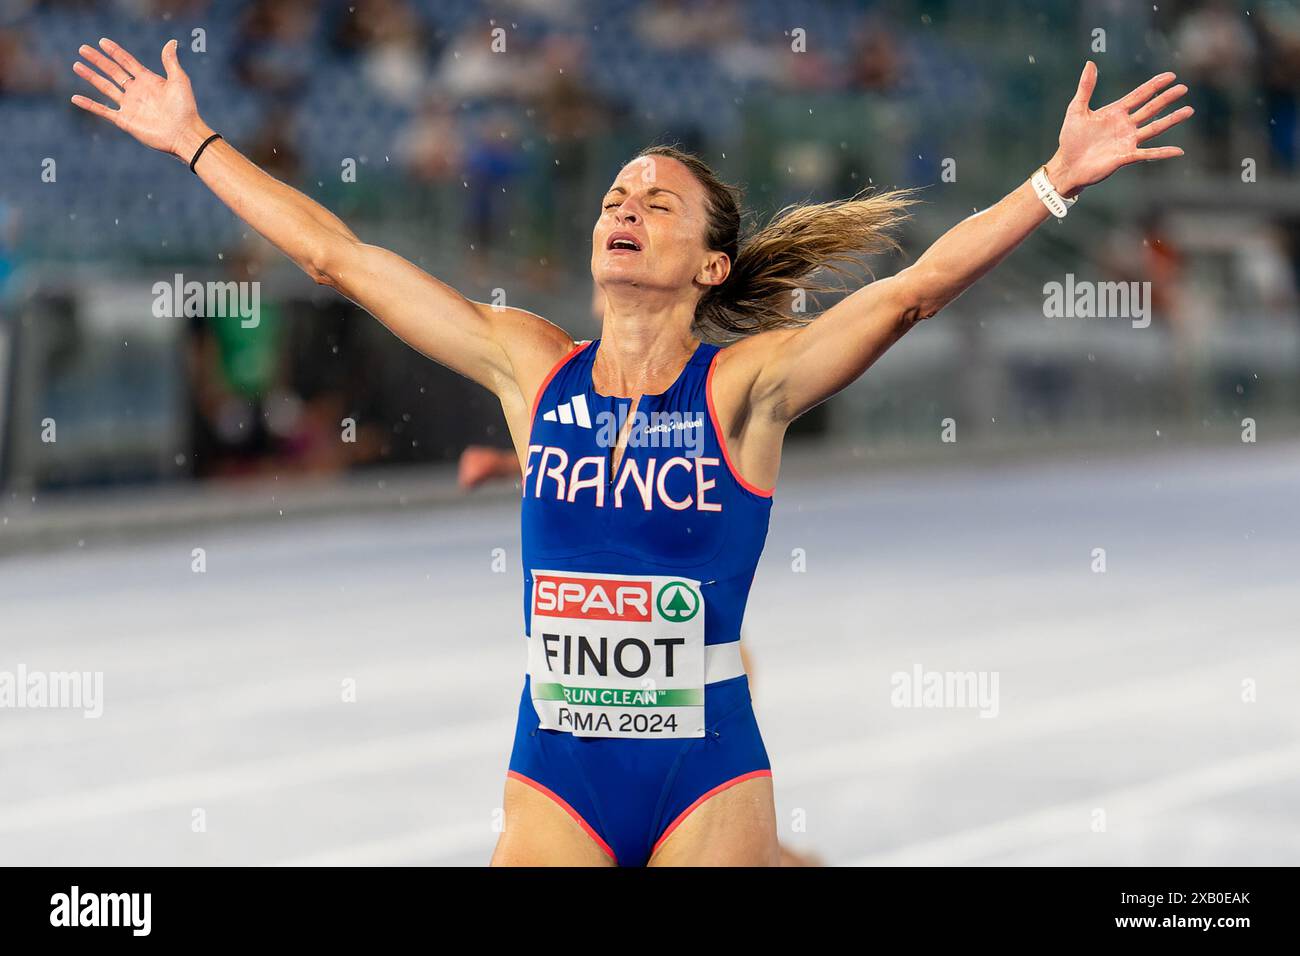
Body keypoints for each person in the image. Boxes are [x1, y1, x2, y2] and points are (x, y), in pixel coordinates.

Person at [71, 38, 1191, 866]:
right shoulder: (528, 365)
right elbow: (341, 258)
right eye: (618, 193)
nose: (627, 204)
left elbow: (905, 295)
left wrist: (1052, 183)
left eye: (660, 202)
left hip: (703, 767)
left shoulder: (746, 389)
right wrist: (194, 141)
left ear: (710, 265)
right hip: (557, 763)